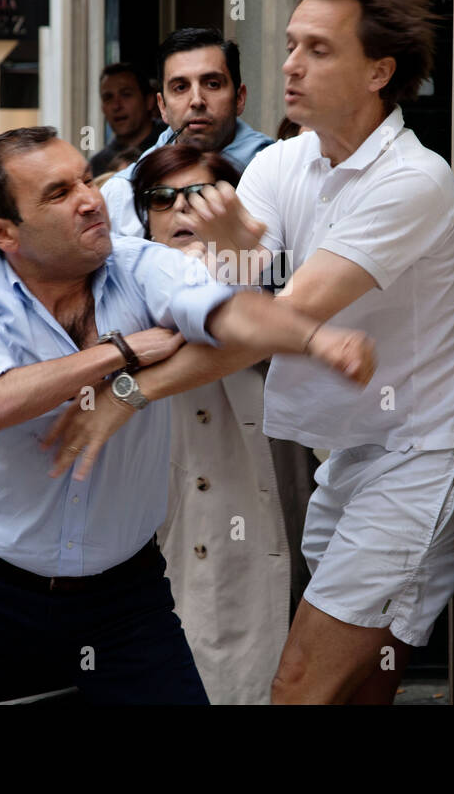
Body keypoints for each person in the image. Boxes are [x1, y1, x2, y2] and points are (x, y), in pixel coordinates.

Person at [52, 0, 454, 704]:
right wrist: (229, 252)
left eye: (318, 48)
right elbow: (228, 297)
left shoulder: (413, 181)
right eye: (289, 45)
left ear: (378, 71)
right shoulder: (285, 162)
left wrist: (127, 393)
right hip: (344, 456)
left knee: (297, 684)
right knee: (361, 688)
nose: (291, 64)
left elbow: (279, 323)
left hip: (416, 459)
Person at [0, 126, 375, 704]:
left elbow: (229, 314)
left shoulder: (143, 265)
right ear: (3, 232)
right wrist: (122, 351)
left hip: (122, 597)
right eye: (59, 193)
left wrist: (314, 338)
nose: (90, 199)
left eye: (86, 180)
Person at [131, 143, 311, 704]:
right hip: (166, 524)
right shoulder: (121, 292)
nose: (181, 208)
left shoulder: (276, 278)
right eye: (162, 198)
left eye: (199, 194)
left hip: (258, 510)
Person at [102, 28, 274, 236]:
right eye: (180, 87)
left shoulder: (279, 173)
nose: (197, 101)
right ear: (162, 106)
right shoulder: (123, 195)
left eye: (212, 84)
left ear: (239, 98)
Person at [89, 63, 165, 176]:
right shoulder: (97, 165)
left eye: (126, 94)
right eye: (108, 98)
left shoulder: (171, 142)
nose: (116, 106)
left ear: (149, 101)